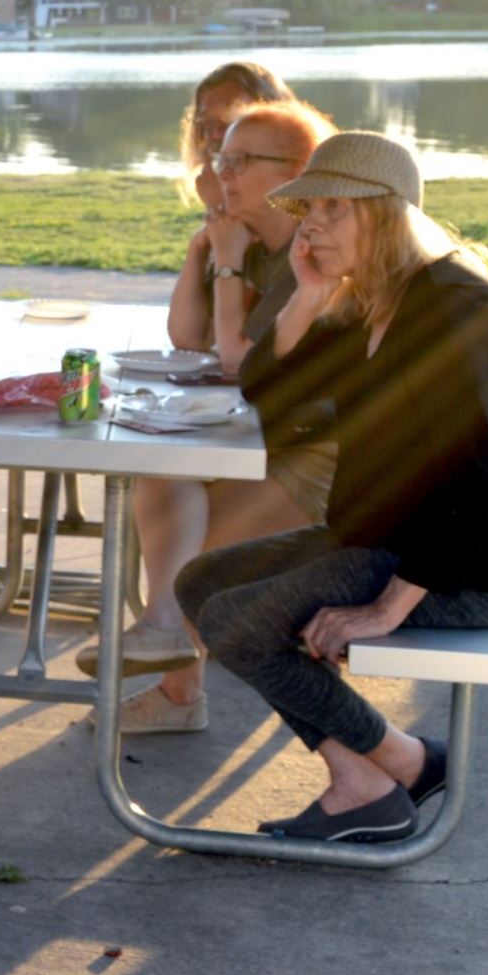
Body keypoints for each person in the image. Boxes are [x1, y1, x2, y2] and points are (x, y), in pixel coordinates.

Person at [176, 132, 488, 843]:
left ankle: (393, 769)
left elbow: (473, 481)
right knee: (201, 583)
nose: (310, 224)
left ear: (384, 213)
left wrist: (387, 608)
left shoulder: (450, 309)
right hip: (389, 536)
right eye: (308, 208)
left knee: (238, 625)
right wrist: (308, 297)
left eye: (331, 208)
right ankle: (380, 771)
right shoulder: (371, 303)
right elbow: (268, 390)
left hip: (475, 566)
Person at [75, 99, 335, 723]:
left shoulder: (317, 253)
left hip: (334, 474)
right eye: (222, 158)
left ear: (296, 172)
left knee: (182, 537)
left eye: (242, 160)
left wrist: (224, 262)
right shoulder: (267, 245)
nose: (223, 173)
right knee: (160, 473)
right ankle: (174, 669)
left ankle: (173, 665)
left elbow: (236, 361)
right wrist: (207, 249)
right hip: (277, 446)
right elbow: (187, 337)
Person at [175, 60, 294, 220]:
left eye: (232, 121)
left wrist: (220, 207)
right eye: (208, 124)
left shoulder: (307, 214)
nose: (217, 135)